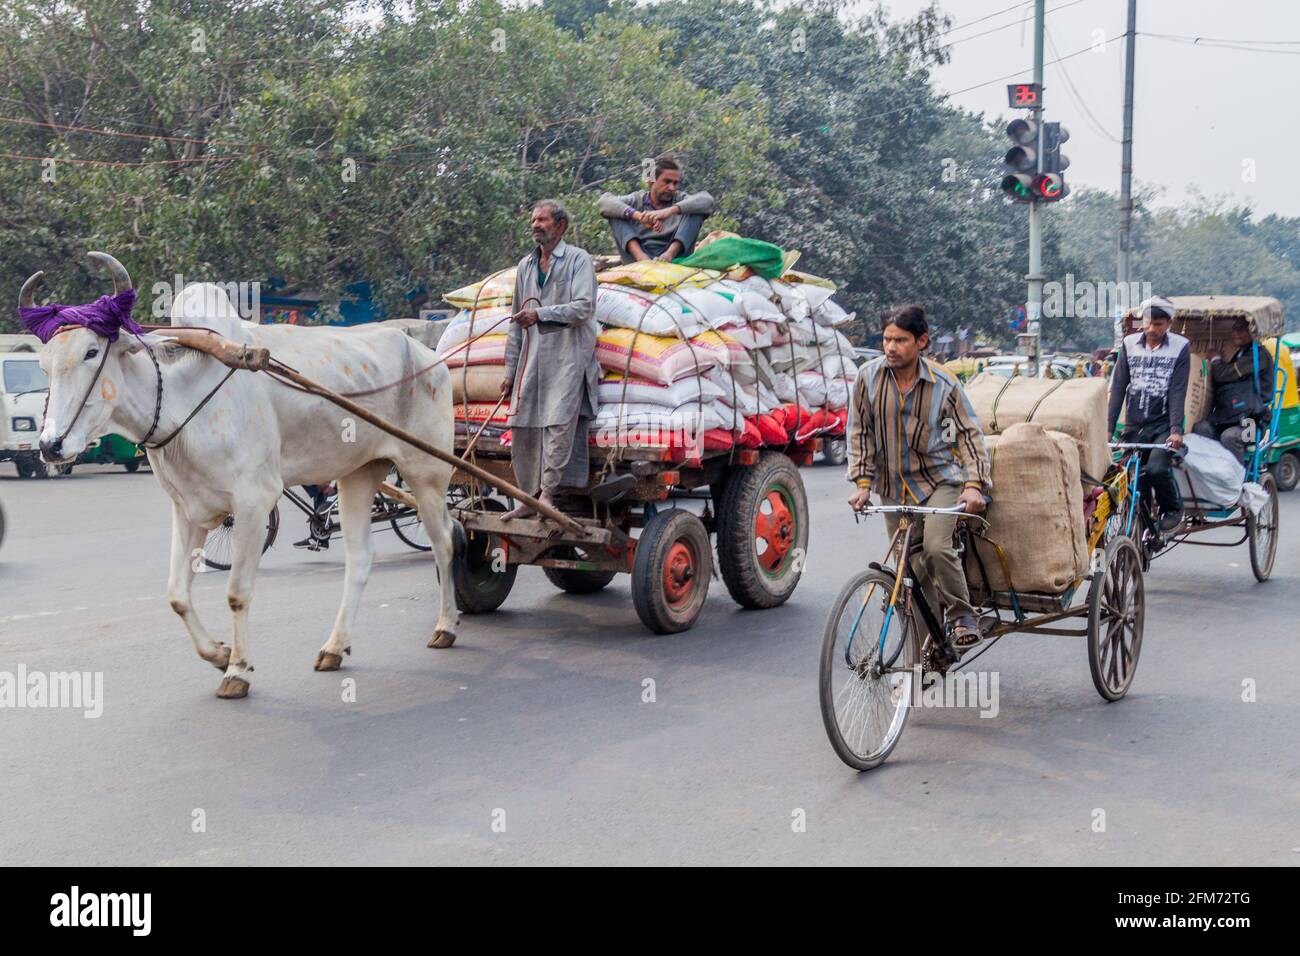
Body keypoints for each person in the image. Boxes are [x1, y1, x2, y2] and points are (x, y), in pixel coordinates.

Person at [846, 304, 992, 650]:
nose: (891, 347)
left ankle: (962, 615)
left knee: (937, 548)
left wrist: (973, 484)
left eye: (900, 340)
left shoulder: (944, 383)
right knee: (909, 569)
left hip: (939, 481)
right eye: (886, 339)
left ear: (921, 341)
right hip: (892, 486)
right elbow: (860, 432)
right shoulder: (868, 377)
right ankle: (926, 652)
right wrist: (862, 484)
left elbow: (969, 435)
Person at [500, 199, 601, 520]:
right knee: (523, 423)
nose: (535, 225)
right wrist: (509, 369)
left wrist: (540, 314)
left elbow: (584, 306)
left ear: (560, 226)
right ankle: (528, 498)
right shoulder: (525, 266)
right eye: (533, 219)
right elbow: (516, 322)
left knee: (559, 423)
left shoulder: (578, 260)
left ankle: (547, 495)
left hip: (568, 358)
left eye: (542, 220)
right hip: (532, 360)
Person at [1107, 295, 1189, 531]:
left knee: (1155, 468)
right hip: (1135, 424)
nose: (1152, 329)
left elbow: (1178, 391)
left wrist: (1175, 431)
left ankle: (1171, 508)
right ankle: (1140, 532)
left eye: (1159, 325)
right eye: (1148, 323)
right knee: (1130, 475)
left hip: (1163, 426)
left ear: (1169, 324)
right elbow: (1119, 387)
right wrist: (1108, 429)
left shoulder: (1180, 347)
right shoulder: (1129, 343)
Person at [597, 155, 716, 263]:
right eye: (667, 182)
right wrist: (638, 216)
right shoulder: (636, 199)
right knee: (615, 212)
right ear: (652, 181)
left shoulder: (680, 199)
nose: (672, 187)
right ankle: (641, 257)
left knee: (696, 211)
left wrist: (669, 211)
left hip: (674, 258)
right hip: (638, 259)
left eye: (675, 183)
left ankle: (669, 254)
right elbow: (604, 202)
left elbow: (707, 200)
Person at [1192, 316, 1274, 463]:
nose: (1236, 333)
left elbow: (1224, 375)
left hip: (1253, 423)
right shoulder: (1239, 354)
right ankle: (1211, 470)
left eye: (1242, 329)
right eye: (1234, 329)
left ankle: (1235, 481)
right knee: (1200, 429)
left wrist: (1216, 360)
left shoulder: (1259, 356)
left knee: (1229, 437)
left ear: (1253, 332)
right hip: (1230, 417)